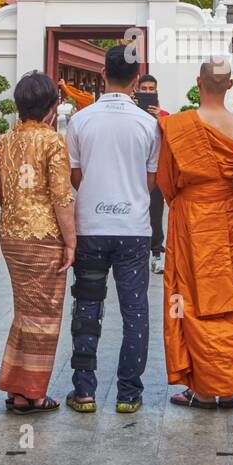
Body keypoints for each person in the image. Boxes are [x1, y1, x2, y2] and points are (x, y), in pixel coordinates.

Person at [158, 57, 233, 409]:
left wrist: (189, 199)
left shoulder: (178, 125)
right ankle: (229, 386)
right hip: (228, 219)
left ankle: (202, 388)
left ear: (198, 83)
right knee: (231, 298)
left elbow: (166, 182)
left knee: (189, 298)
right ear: (230, 86)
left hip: (190, 220)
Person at [64, 45, 160, 415]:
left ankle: (84, 391)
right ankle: (128, 393)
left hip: (90, 225)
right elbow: (150, 180)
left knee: (87, 304)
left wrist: (98, 193)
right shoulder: (148, 124)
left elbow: (75, 175)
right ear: (137, 80)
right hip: (134, 228)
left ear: (103, 75)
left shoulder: (81, 121)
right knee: (135, 310)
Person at [0, 71, 77, 414]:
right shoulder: (53, 140)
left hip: (12, 235)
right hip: (44, 237)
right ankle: (32, 393)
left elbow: (1, 193)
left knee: (25, 314)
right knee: (44, 316)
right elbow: (61, 196)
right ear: (51, 107)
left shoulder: (2, 142)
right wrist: (71, 241)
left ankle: (18, 388)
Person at [137, 73, 170, 275]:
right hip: (134, 170)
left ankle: (156, 254)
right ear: (137, 90)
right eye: (144, 89)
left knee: (155, 214)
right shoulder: (130, 111)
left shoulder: (164, 115)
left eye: (152, 89)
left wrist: (161, 119)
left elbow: (173, 140)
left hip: (156, 172)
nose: (148, 92)